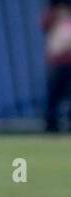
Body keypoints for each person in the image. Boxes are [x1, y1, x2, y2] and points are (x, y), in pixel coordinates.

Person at [44, 0, 71, 132]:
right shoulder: (53, 17)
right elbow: (44, 24)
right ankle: (51, 124)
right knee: (54, 96)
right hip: (56, 64)